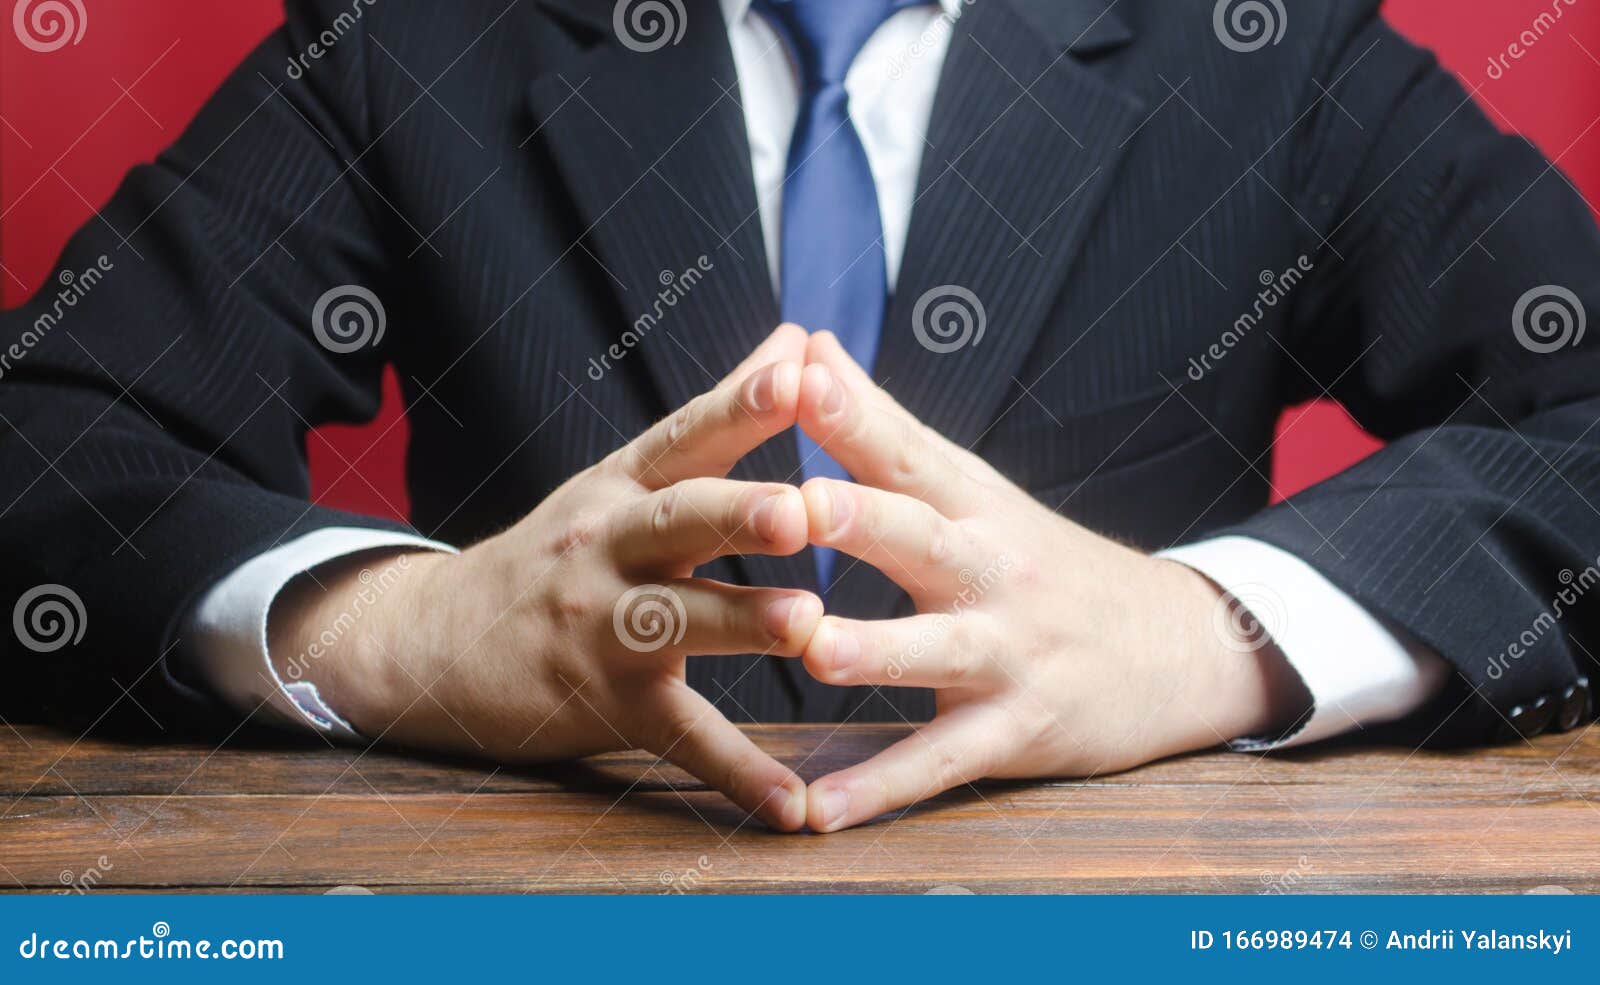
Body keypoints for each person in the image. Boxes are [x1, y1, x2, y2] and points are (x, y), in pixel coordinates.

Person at [3, 0, 1597, 834]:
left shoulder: (1271, 43)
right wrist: (406, 627)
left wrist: (1205, 634)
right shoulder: (413, 33)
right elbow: (45, 430)